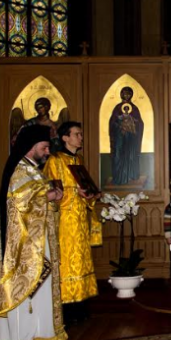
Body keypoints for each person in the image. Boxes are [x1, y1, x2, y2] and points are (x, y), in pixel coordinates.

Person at [0, 124, 68, 340]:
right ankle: (23, 337)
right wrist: (48, 195)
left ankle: (41, 334)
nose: (48, 152)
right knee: (28, 288)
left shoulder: (32, 170)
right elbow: (19, 202)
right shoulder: (19, 169)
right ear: (32, 147)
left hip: (38, 240)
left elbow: (37, 196)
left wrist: (52, 196)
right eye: (44, 147)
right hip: (24, 245)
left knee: (41, 289)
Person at [44, 121, 102, 325]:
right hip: (64, 221)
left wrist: (91, 193)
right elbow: (51, 191)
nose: (81, 137)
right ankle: (67, 309)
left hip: (79, 219)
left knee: (81, 262)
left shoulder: (78, 159)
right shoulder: (54, 161)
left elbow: (83, 185)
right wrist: (73, 192)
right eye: (77, 134)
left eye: (81, 134)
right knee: (67, 263)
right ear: (65, 138)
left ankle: (81, 304)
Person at [109, 86, 144, 186]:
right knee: (118, 155)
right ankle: (119, 178)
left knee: (131, 156)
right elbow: (112, 123)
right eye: (124, 93)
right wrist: (120, 125)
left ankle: (131, 176)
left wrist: (133, 123)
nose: (126, 95)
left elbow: (140, 124)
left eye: (129, 93)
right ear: (121, 94)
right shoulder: (117, 108)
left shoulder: (135, 109)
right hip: (120, 138)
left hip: (131, 139)